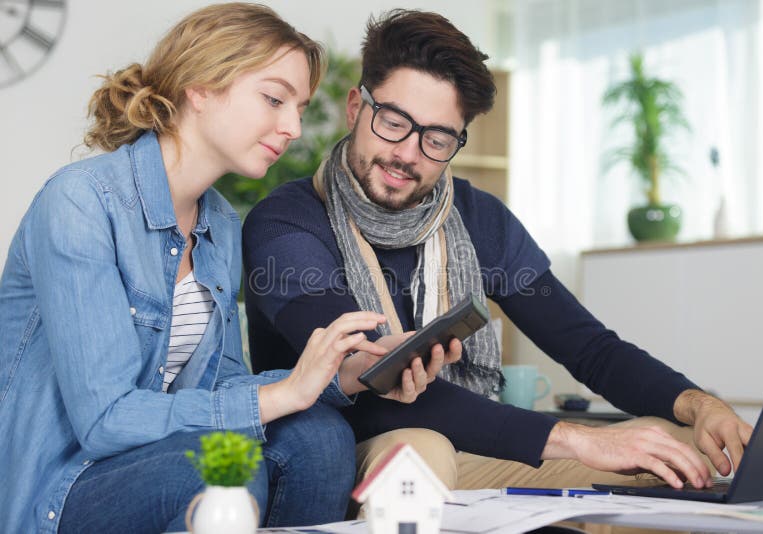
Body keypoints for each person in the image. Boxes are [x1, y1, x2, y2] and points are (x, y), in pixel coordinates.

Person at [242, 8, 753, 497]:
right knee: (418, 454)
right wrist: (578, 438)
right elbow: (364, 370)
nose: (407, 153)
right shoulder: (286, 224)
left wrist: (700, 407)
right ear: (357, 107)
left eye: (437, 138)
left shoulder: (480, 219)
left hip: (481, 443)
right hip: (364, 445)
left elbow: (590, 348)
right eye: (394, 122)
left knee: (682, 449)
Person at [0, 4, 449, 533]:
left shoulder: (219, 222)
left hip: (153, 461)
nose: (293, 127)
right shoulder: (81, 202)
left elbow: (220, 387)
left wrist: (340, 376)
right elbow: (105, 421)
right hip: (61, 489)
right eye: (274, 99)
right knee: (219, 468)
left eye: (299, 108)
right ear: (201, 87)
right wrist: (284, 393)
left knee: (320, 434)